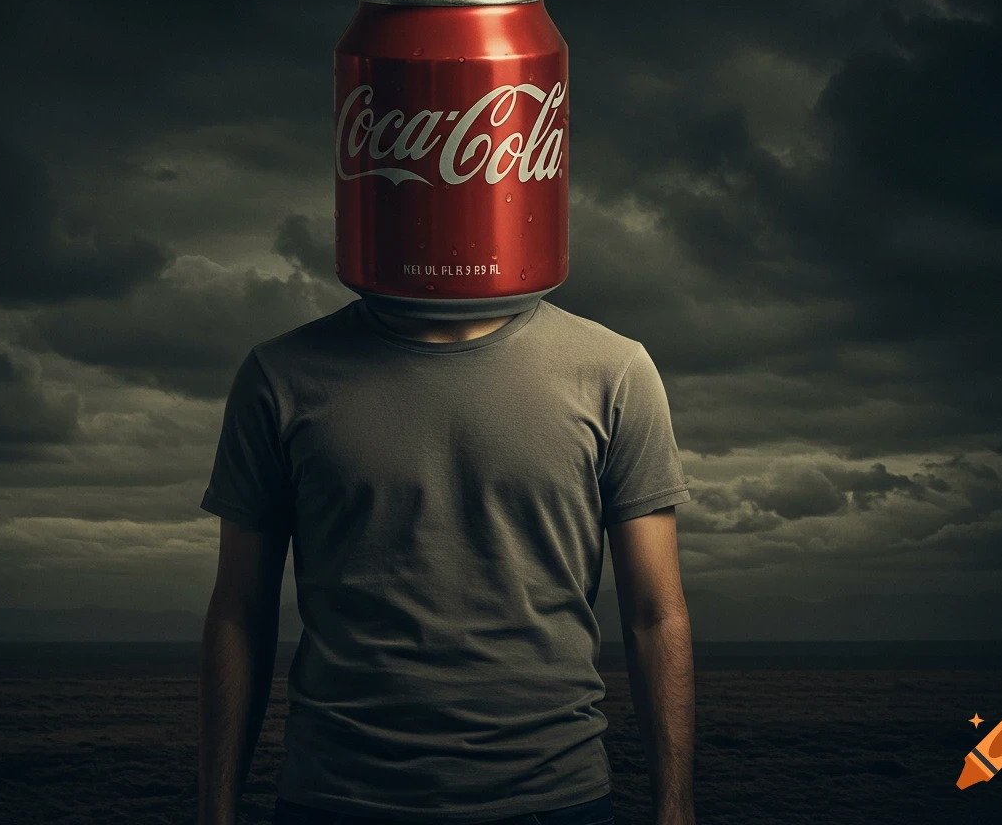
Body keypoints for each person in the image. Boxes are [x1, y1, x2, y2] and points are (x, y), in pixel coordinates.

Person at [198, 296, 696, 825]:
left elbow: (655, 613)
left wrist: (676, 808)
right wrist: (214, 812)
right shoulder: (279, 374)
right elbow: (241, 609)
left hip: (554, 794)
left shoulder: (615, 370)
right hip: (335, 795)